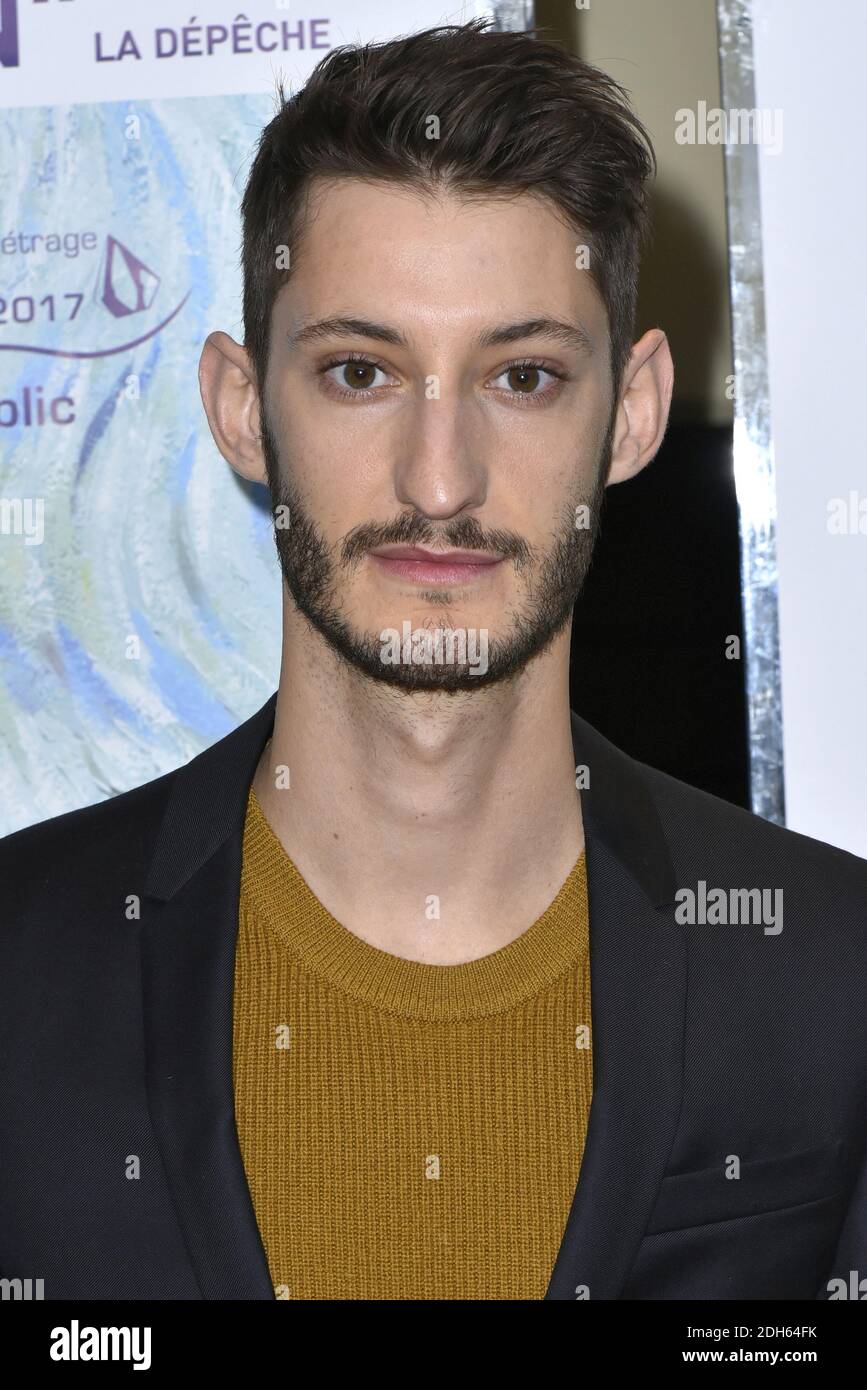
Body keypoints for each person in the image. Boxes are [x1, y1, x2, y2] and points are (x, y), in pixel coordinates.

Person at [1, 18, 864, 1302]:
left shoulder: (831, 970)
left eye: (521, 377)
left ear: (629, 415)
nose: (439, 479)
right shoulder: (22, 965)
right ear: (243, 407)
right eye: (361, 370)